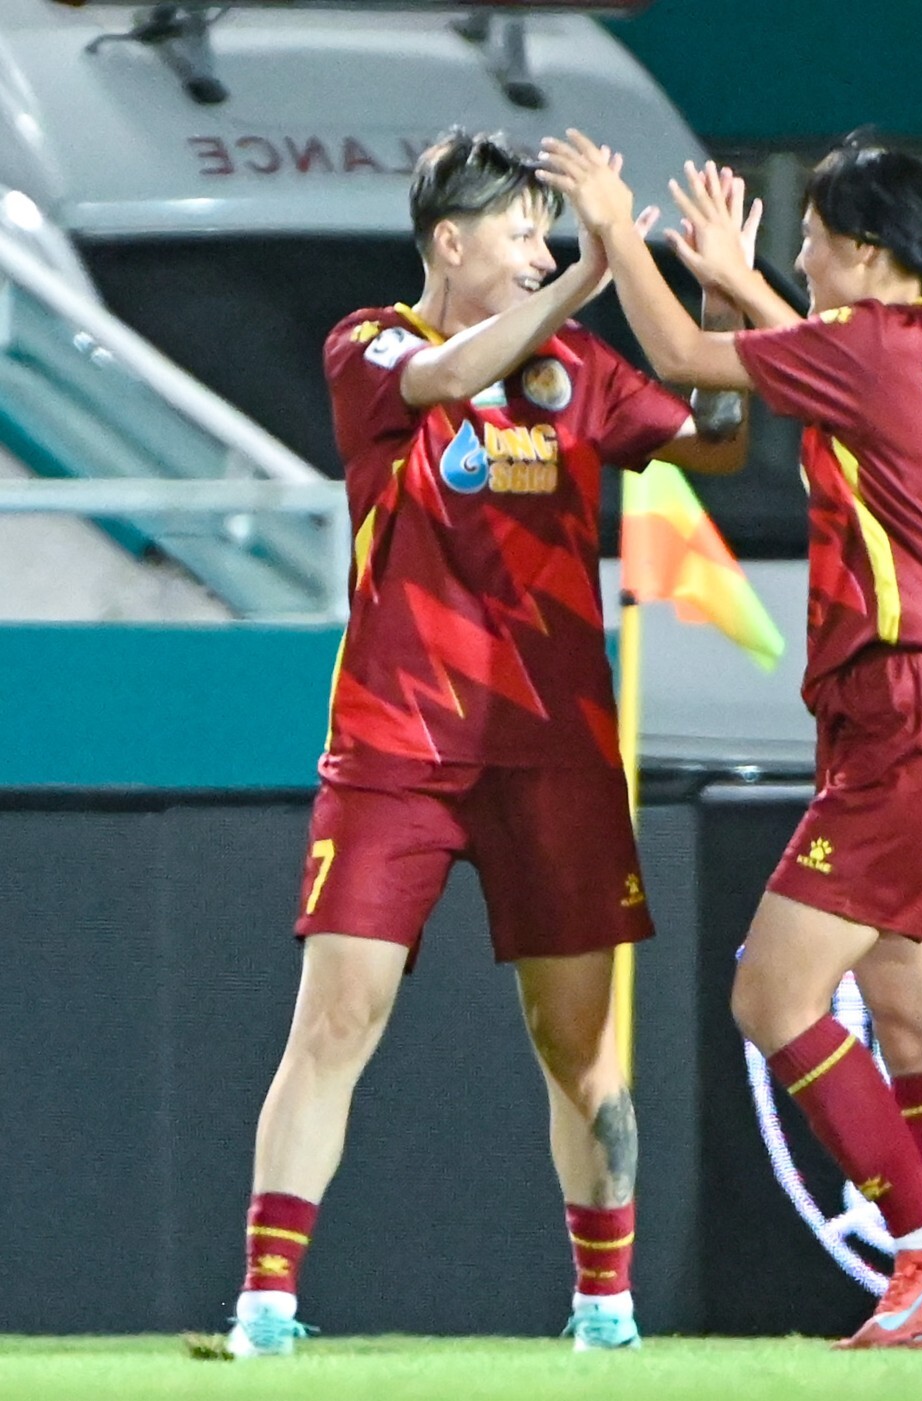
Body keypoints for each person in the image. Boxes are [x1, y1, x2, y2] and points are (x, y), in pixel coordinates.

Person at [224, 130, 750, 1359]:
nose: (539, 248)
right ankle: (264, 1303)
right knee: (335, 1022)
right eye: (519, 230)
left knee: (578, 1047)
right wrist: (590, 274)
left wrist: (720, 302)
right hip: (396, 745)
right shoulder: (370, 343)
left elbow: (713, 437)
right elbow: (442, 376)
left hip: (555, 752)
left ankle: (605, 1309)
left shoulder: (577, 370)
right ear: (449, 243)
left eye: (547, 230)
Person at [539, 128, 922, 1350]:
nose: (797, 259)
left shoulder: (867, 350)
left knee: (770, 995)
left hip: (906, 718)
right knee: (916, 1022)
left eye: (809, 242)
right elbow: (776, 354)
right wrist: (729, 269)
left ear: (864, 255)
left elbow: (691, 358)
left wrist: (614, 227)